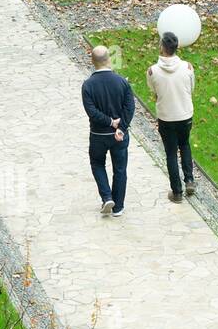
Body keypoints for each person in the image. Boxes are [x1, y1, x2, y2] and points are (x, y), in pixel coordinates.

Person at [81, 46, 135, 217]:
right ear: (109, 59)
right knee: (120, 169)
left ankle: (106, 197)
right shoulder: (121, 82)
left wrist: (109, 122)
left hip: (98, 135)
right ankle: (118, 206)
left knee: (97, 164)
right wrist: (121, 127)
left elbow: (92, 112)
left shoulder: (88, 85)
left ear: (92, 61)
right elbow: (130, 107)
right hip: (119, 136)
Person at [146, 31, 196, 203]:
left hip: (166, 117)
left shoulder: (153, 71)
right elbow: (191, 88)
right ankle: (189, 180)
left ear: (162, 47)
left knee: (171, 153)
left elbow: (153, 91)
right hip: (185, 114)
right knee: (185, 145)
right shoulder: (188, 68)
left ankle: (177, 192)